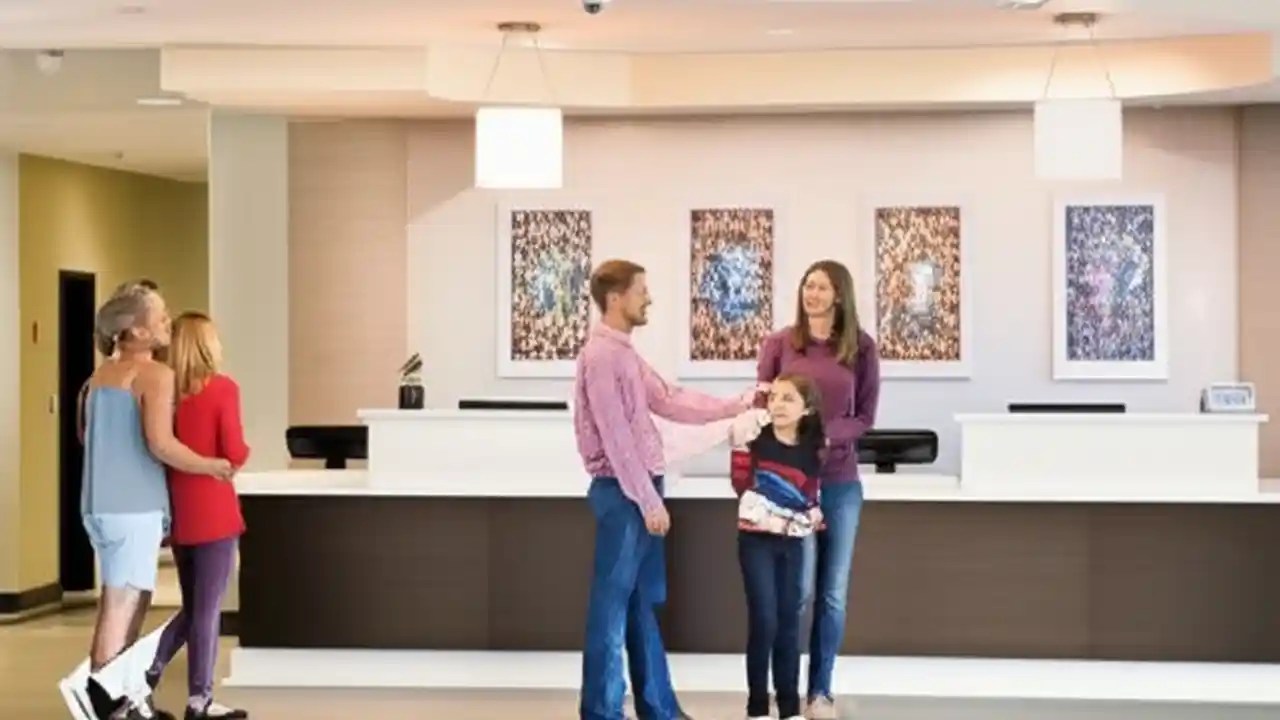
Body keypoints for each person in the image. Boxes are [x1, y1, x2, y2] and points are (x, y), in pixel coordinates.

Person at [574, 259, 758, 720]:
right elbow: (616, 439)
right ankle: (602, 713)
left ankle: (659, 709)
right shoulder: (600, 358)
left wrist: (737, 403)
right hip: (624, 494)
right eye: (641, 291)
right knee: (611, 610)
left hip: (636, 489)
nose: (648, 298)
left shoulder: (624, 354)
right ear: (616, 298)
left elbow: (670, 399)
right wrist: (648, 499)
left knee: (638, 606)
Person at [76, 287, 234, 720]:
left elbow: (86, 438)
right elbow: (161, 443)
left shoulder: (98, 378)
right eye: (160, 317)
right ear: (136, 330)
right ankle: (104, 707)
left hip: (99, 505)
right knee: (120, 605)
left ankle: (123, 701)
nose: (168, 322)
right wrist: (210, 465)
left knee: (129, 600)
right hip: (133, 507)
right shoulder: (154, 376)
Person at [754, 260, 881, 720]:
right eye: (808, 285)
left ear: (840, 295)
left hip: (841, 485)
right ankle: (785, 693)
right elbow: (762, 404)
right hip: (791, 483)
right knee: (797, 592)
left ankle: (820, 692)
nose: (813, 294)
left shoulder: (861, 349)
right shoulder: (779, 344)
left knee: (832, 594)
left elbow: (866, 415)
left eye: (822, 287)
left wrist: (825, 434)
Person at [144, 312, 250, 720]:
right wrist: (234, 458)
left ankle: (149, 671)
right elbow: (234, 450)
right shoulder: (223, 389)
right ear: (208, 345)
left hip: (180, 514)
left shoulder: (163, 395)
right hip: (215, 513)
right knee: (206, 610)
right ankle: (199, 699)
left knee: (194, 607)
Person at [729, 374, 825, 720]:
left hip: (795, 544)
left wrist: (806, 512)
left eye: (789, 399)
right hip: (756, 541)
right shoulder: (755, 439)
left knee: (789, 622)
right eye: (775, 398)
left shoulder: (815, 448)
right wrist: (740, 452)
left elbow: (809, 497)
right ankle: (757, 708)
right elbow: (741, 486)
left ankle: (789, 708)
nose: (779, 405)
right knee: (764, 620)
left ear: (807, 408)